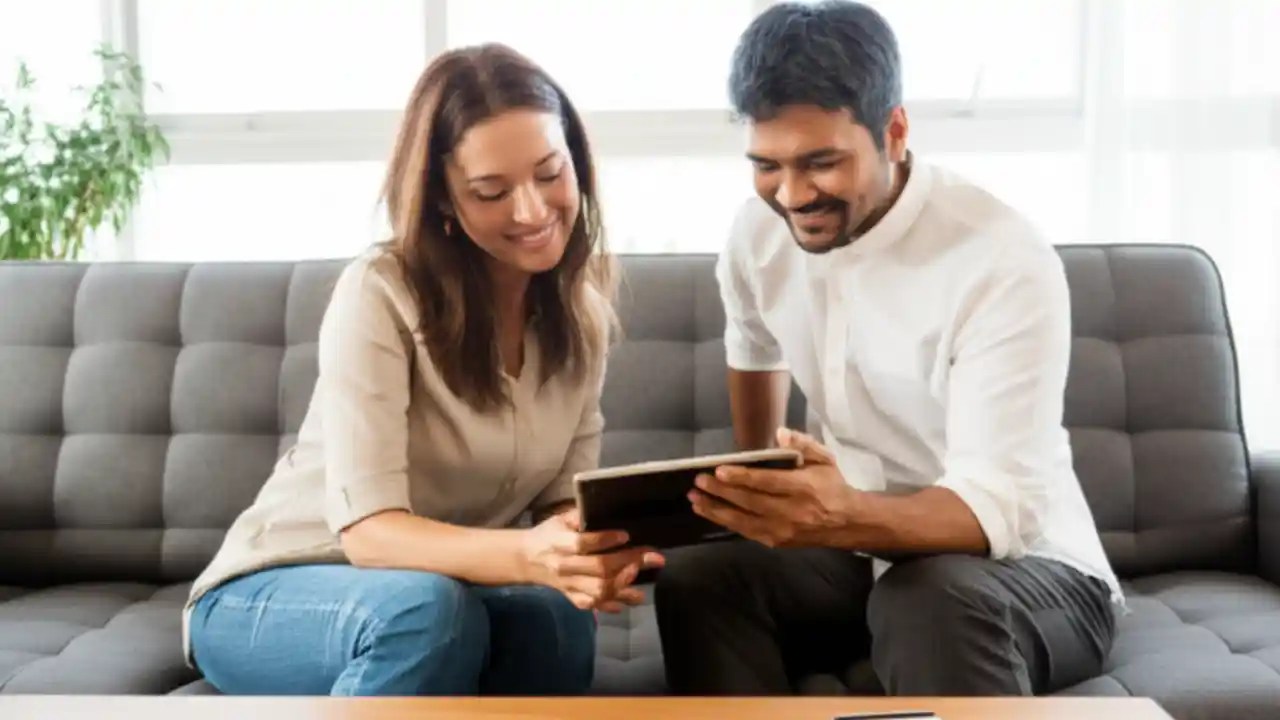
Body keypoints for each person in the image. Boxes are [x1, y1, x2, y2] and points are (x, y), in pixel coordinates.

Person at [654, 1, 1122, 697]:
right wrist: (762, 496)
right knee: (699, 578)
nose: (792, 195)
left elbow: (998, 509)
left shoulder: (1000, 258)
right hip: (859, 550)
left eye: (821, 163)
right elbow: (753, 348)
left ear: (894, 131)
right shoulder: (758, 234)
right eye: (767, 165)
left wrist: (837, 513)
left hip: (1027, 568)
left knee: (927, 599)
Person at [183, 44, 663, 697]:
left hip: (441, 591)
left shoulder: (581, 318)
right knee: (424, 612)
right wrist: (528, 555)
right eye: (492, 192)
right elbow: (370, 535)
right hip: (273, 589)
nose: (531, 210)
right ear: (443, 199)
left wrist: (593, 551)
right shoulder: (380, 292)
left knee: (554, 617)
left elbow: (559, 506)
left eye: (550, 173)